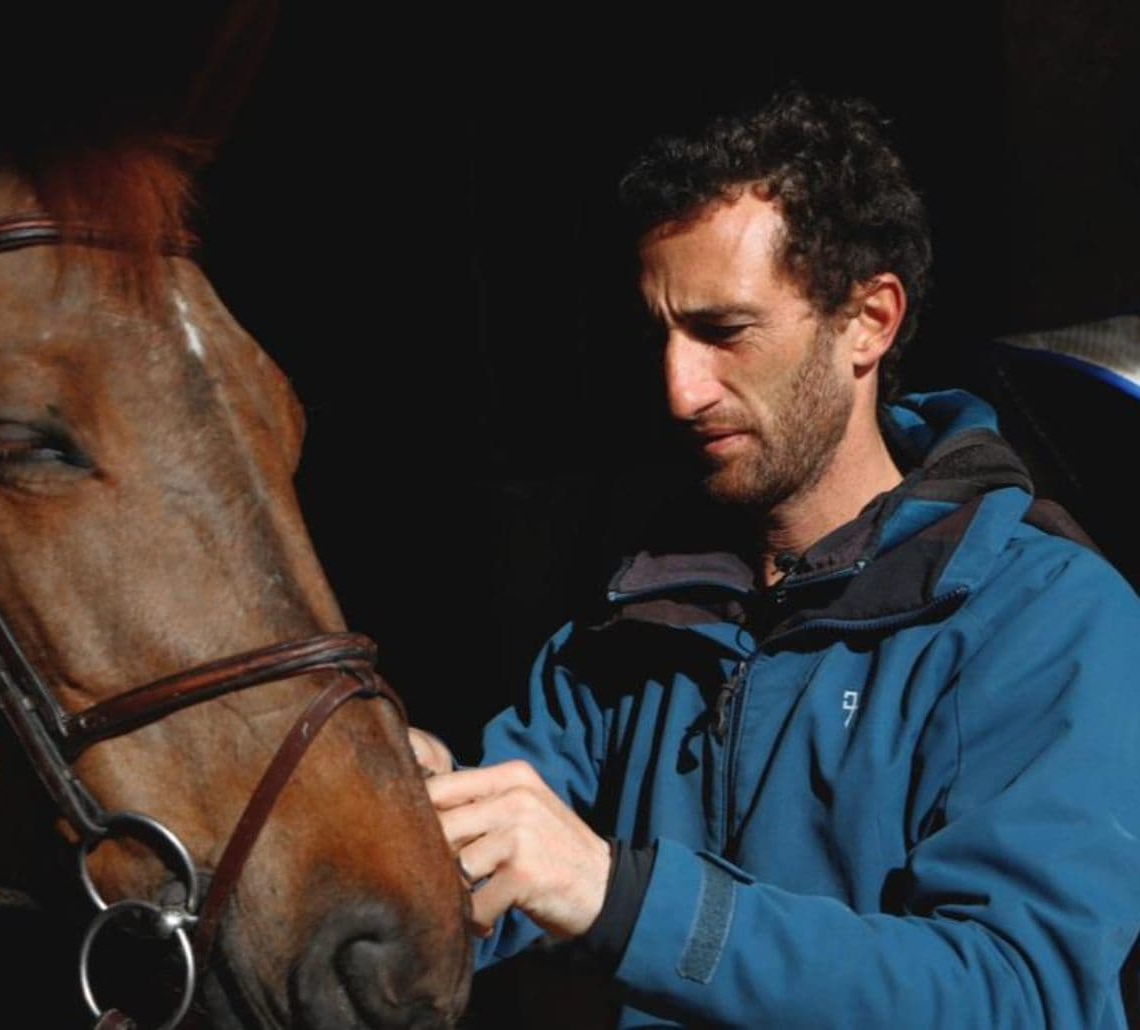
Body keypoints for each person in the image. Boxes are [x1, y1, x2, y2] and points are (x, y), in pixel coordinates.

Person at [409, 90, 1140, 1027]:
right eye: (660, 336)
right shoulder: (640, 611)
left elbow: (1021, 995)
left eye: (724, 332)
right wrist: (405, 818)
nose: (679, 391)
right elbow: (500, 883)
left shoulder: (1045, 618)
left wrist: (624, 899)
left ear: (868, 321)